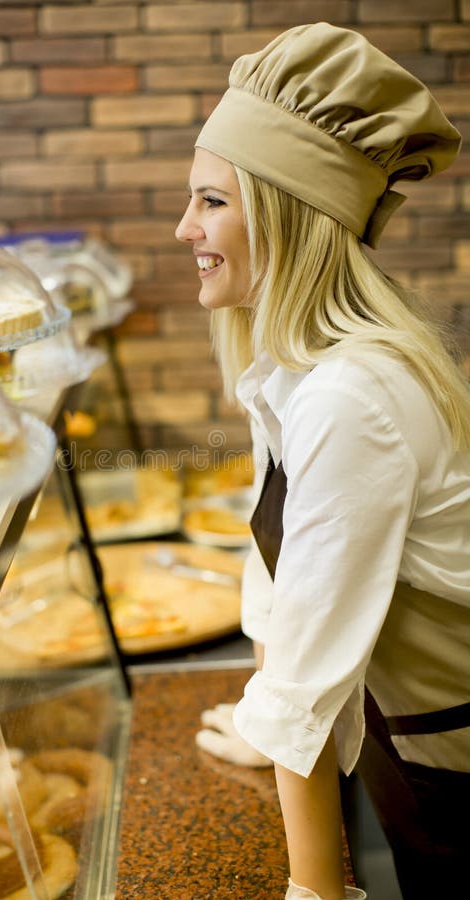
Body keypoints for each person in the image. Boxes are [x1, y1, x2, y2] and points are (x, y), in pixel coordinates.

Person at [175, 22, 470, 900]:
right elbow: (284, 584)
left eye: (211, 201)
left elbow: (305, 684)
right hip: (402, 735)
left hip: (452, 762)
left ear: (285, 213)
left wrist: (314, 892)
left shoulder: (351, 397)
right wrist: (266, 733)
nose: (184, 226)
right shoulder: (293, 368)